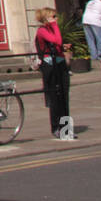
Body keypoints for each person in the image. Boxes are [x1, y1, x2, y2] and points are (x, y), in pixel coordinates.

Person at [35, 7, 71, 138]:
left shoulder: (51, 29)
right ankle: (56, 127)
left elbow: (58, 43)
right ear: (47, 18)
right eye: (54, 16)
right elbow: (57, 41)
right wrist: (55, 26)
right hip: (50, 65)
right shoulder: (42, 31)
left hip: (59, 63)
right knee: (55, 98)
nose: (56, 19)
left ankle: (66, 129)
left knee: (64, 97)